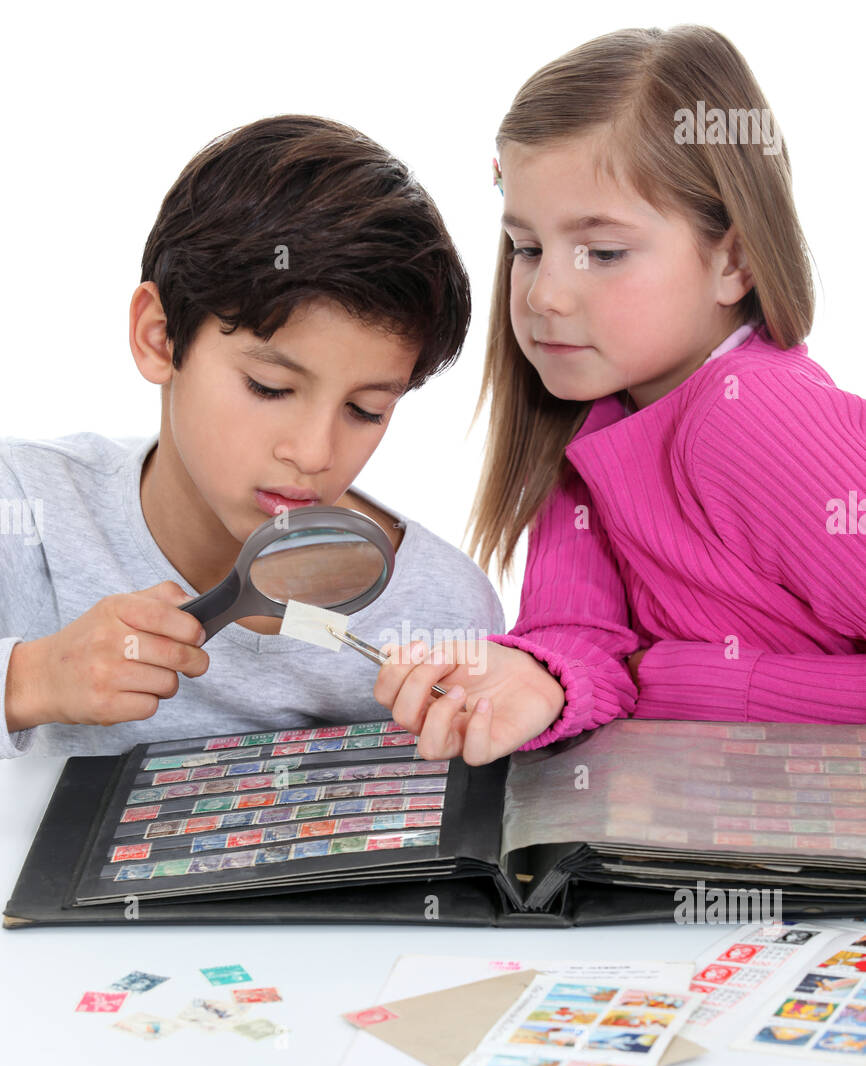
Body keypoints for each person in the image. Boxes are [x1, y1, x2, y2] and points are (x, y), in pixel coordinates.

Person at [374, 25, 866, 765]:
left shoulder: (757, 422)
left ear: (733, 260)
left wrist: (705, 683)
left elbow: (649, 677)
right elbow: (586, 641)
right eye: (528, 247)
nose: (544, 294)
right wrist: (538, 677)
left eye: (602, 253)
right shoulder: (594, 422)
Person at [0, 115, 503, 758]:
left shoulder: (443, 610)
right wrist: (31, 679)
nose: (314, 454)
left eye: (366, 410)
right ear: (160, 337)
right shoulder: (30, 510)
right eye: (270, 388)